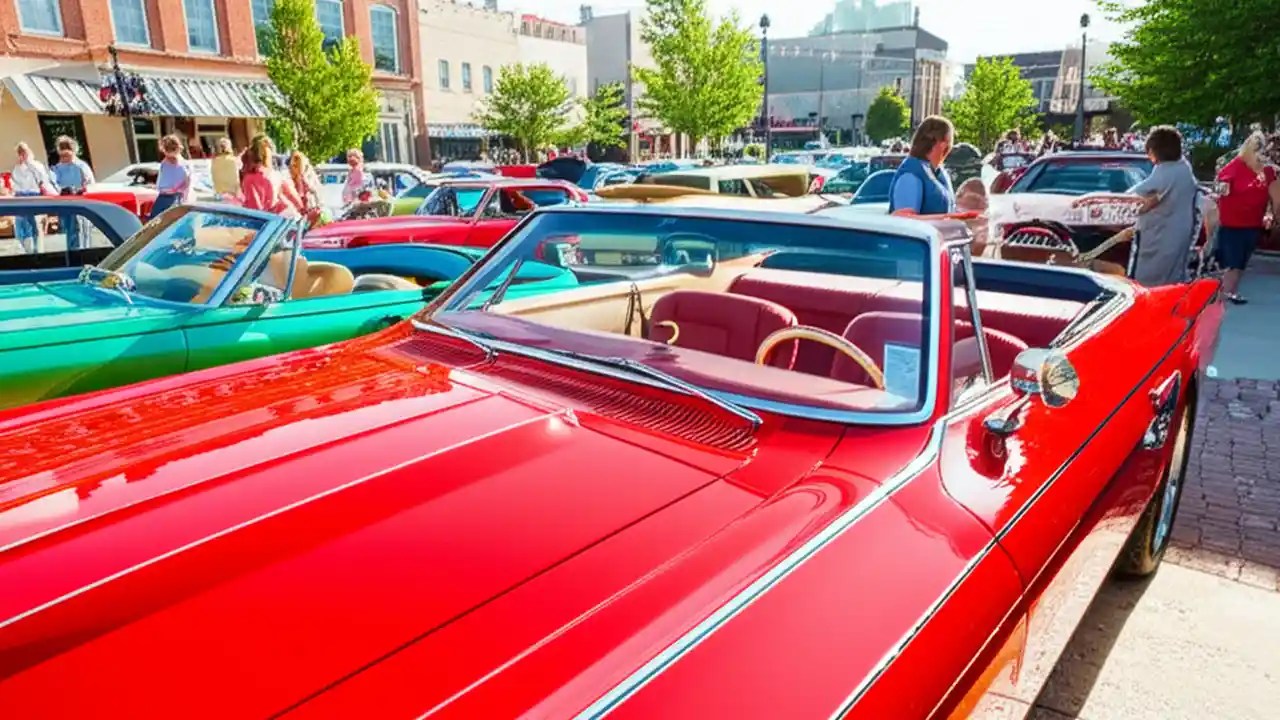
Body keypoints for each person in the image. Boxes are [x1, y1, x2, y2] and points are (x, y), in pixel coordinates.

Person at [1126, 125, 1201, 286]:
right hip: (1179, 234)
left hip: (1158, 237)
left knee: (1148, 283)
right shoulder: (1184, 169)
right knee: (1172, 279)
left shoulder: (1165, 172)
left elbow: (1135, 198)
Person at [1214, 132, 1277, 304]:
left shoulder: (1268, 171)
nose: (1263, 157)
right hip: (1232, 223)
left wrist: (1272, 215)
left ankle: (1230, 291)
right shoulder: (1234, 167)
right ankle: (1222, 294)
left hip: (1252, 223)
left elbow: (1274, 196)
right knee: (1232, 263)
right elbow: (1221, 192)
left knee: (1241, 261)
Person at [888, 115, 956, 216]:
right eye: (949, 141)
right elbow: (905, 222)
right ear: (942, 143)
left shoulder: (935, 172)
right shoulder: (910, 175)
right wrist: (944, 218)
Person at [239, 134, 303, 217]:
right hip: (285, 215)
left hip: (267, 220)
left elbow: (255, 208)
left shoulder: (249, 179)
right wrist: (302, 210)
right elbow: (295, 199)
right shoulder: (276, 175)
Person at [50, 136, 96, 251]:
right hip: (65, 204)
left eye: (67, 152)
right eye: (62, 153)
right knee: (68, 232)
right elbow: (53, 185)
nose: (64, 157)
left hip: (80, 204)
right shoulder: (56, 169)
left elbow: (90, 185)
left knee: (81, 232)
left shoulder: (81, 166)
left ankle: (83, 255)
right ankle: (72, 256)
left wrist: (78, 190)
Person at [11, 142, 54, 253]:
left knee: (35, 224)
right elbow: (15, 183)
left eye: (23, 151)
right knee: (22, 226)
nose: (22, 154)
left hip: (34, 196)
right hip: (20, 197)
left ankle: (37, 251)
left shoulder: (36, 165)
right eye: (20, 152)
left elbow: (42, 180)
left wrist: (28, 163)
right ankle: (26, 250)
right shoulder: (17, 167)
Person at [150, 134, 191, 220]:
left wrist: (181, 195)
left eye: (167, 150)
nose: (165, 153)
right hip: (165, 197)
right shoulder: (166, 163)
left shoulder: (183, 165)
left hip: (173, 198)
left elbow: (187, 183)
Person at [287, 150, 324, 226]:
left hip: (308, 212)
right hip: (301, 214)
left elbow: (316, 195)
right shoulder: (292, 178)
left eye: (295, 165)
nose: (292, 168)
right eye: (292, 165)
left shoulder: (305, 178)